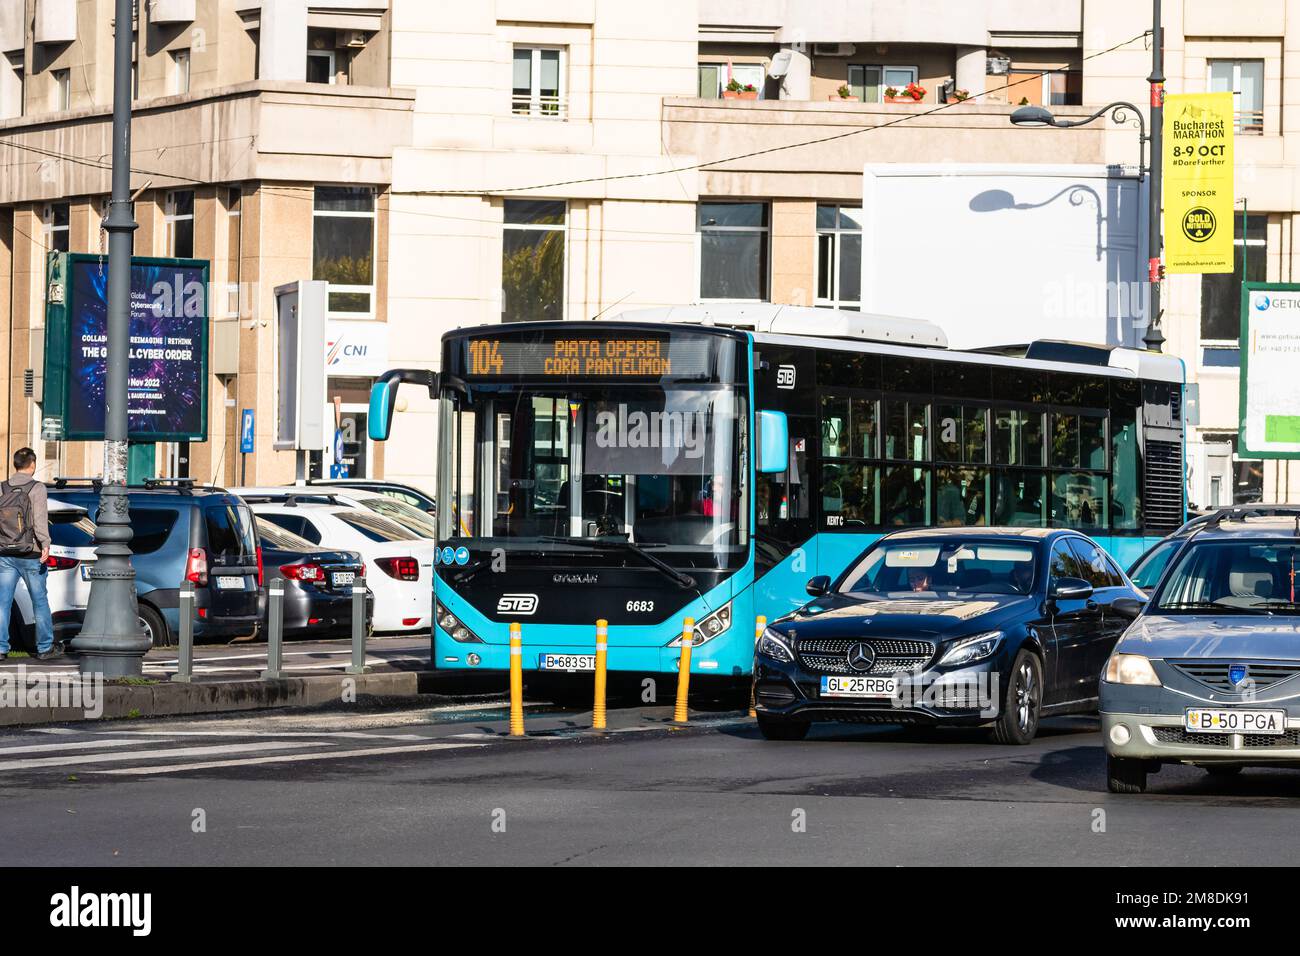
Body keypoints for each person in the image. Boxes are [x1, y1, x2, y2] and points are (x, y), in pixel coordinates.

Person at [0, 448, 59, 660]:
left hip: (5, 553)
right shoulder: (37, 488)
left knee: (2, 602)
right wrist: (45, 543)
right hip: (30, 553)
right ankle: (44, 648)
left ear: (15, 465)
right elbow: (40, 521)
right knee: (39, 601)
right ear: (32, 465)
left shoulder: (2, 487)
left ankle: (0, 648)